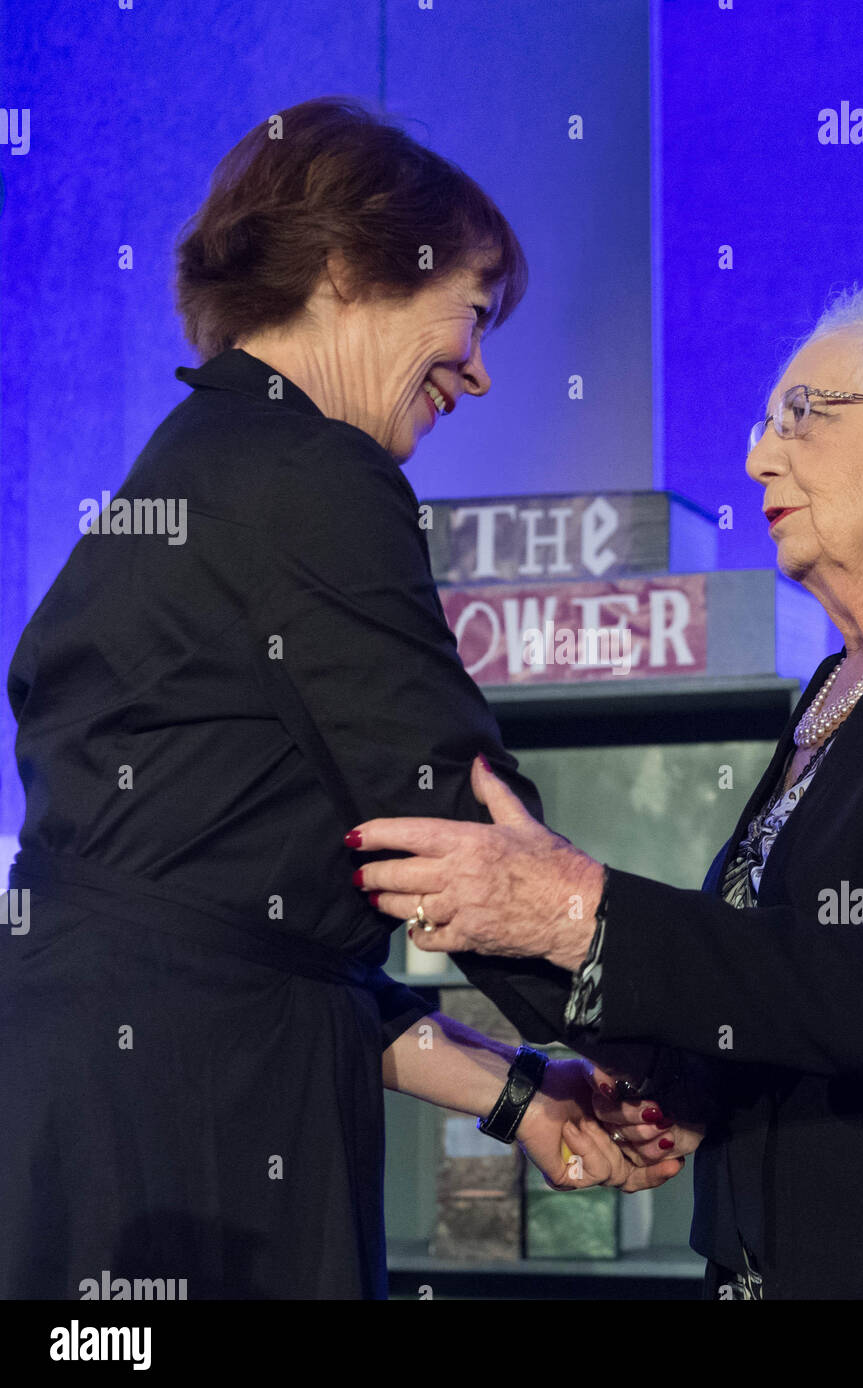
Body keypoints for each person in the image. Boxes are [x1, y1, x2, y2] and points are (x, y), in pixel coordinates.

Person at [0, 96, 682, 1302]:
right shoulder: (316, 472)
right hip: (199, 1129)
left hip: (110, 1115)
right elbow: (455, 820)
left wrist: (521, 1087)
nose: (477, 370)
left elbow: (256, 941)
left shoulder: (192, 464)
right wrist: (686, 1051)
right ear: (343, 272)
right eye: (470, 314)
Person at [352, 278, 863, 1299]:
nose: (754, 457)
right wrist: (690, 1073)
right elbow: (791, 980)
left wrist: (579, 908)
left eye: (802, 416)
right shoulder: (835, 687)